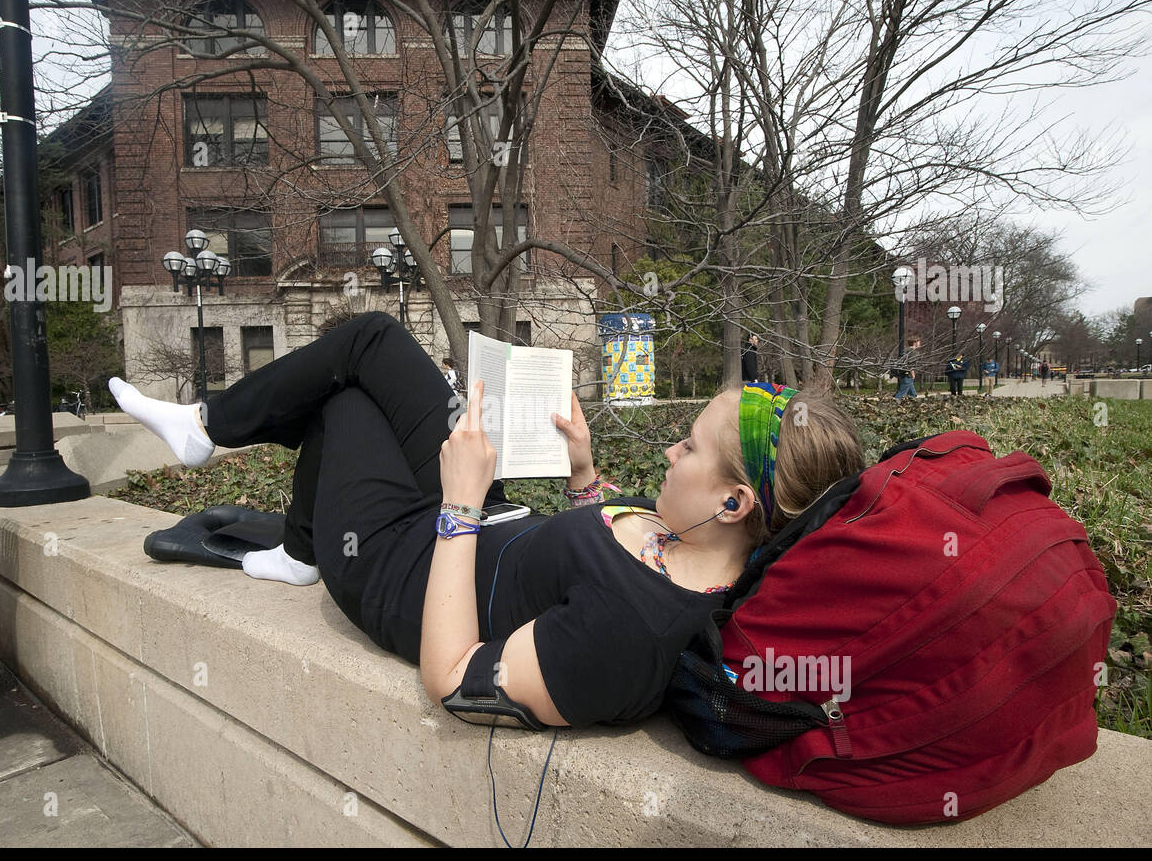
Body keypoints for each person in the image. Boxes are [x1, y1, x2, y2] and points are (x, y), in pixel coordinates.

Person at [107, 312, 864, 728]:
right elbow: (589, 563)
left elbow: (452, 677)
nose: (671, 450)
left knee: (342, 403)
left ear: (734, 503)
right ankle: (205, 427)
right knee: (373, 343)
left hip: (402, 564)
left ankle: (304, 548)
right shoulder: (690, 545)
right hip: (481, 515)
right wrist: (581, 474)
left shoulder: (632, 635)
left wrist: (461, 507)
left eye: (690, 445)